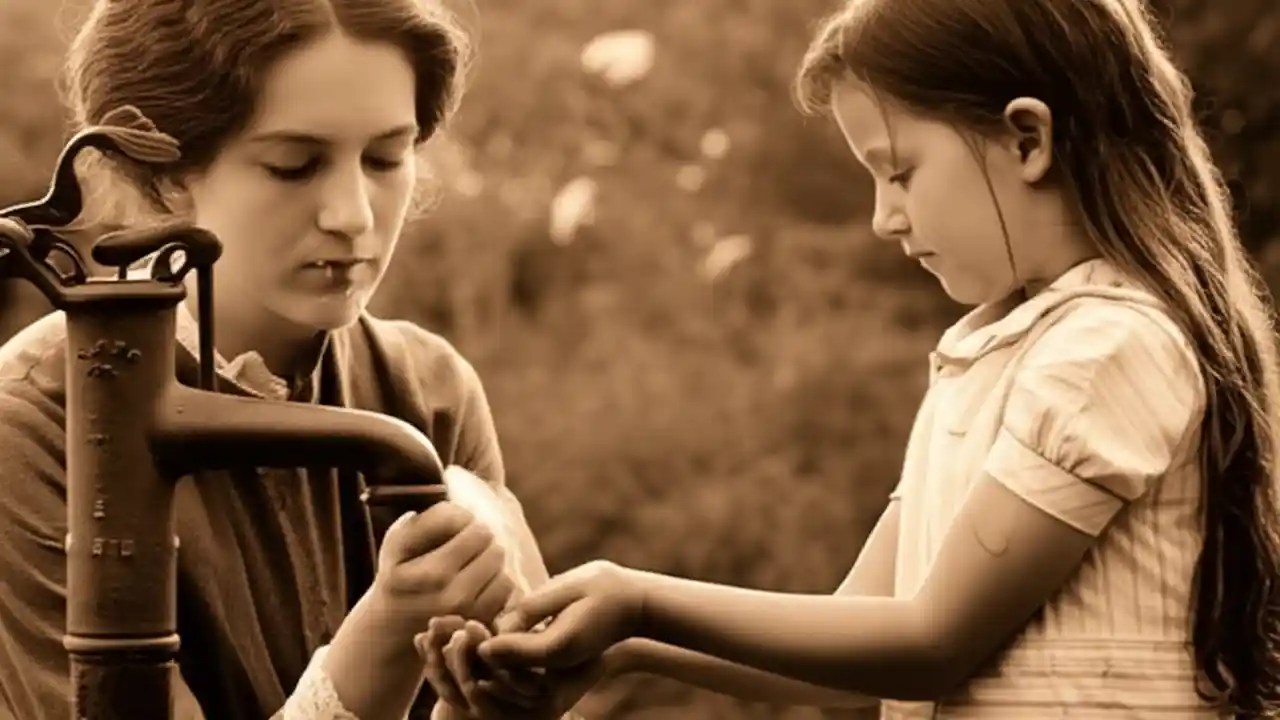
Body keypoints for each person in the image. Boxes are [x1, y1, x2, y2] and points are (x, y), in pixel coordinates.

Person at [422, 0, 1280, 717]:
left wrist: (640, 597)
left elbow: (931, 645)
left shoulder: (1106, 350)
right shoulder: (992, 362)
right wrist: (621, 647)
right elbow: (858, 632)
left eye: (899, 172)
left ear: (1028, 140)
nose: (884, 217)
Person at [0, 0, 553, 718]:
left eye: (387, 157)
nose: (353, 214)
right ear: (155, 174)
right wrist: (386, 634)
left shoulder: (429, 390)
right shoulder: (34, 430)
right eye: (294, 166)